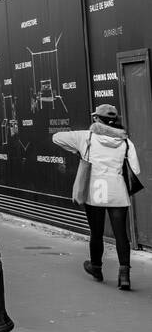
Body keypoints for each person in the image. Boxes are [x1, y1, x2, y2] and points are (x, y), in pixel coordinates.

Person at [53, 104, 142, 291]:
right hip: (117, 192)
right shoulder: (126, 142)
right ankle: (124, 274)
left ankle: (96, 268)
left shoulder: (87, 137)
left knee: (96, 232)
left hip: (94, 192)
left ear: (98, 120)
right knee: (121, 235)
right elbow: (136, 170)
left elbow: (56, 138)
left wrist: (78, 150)